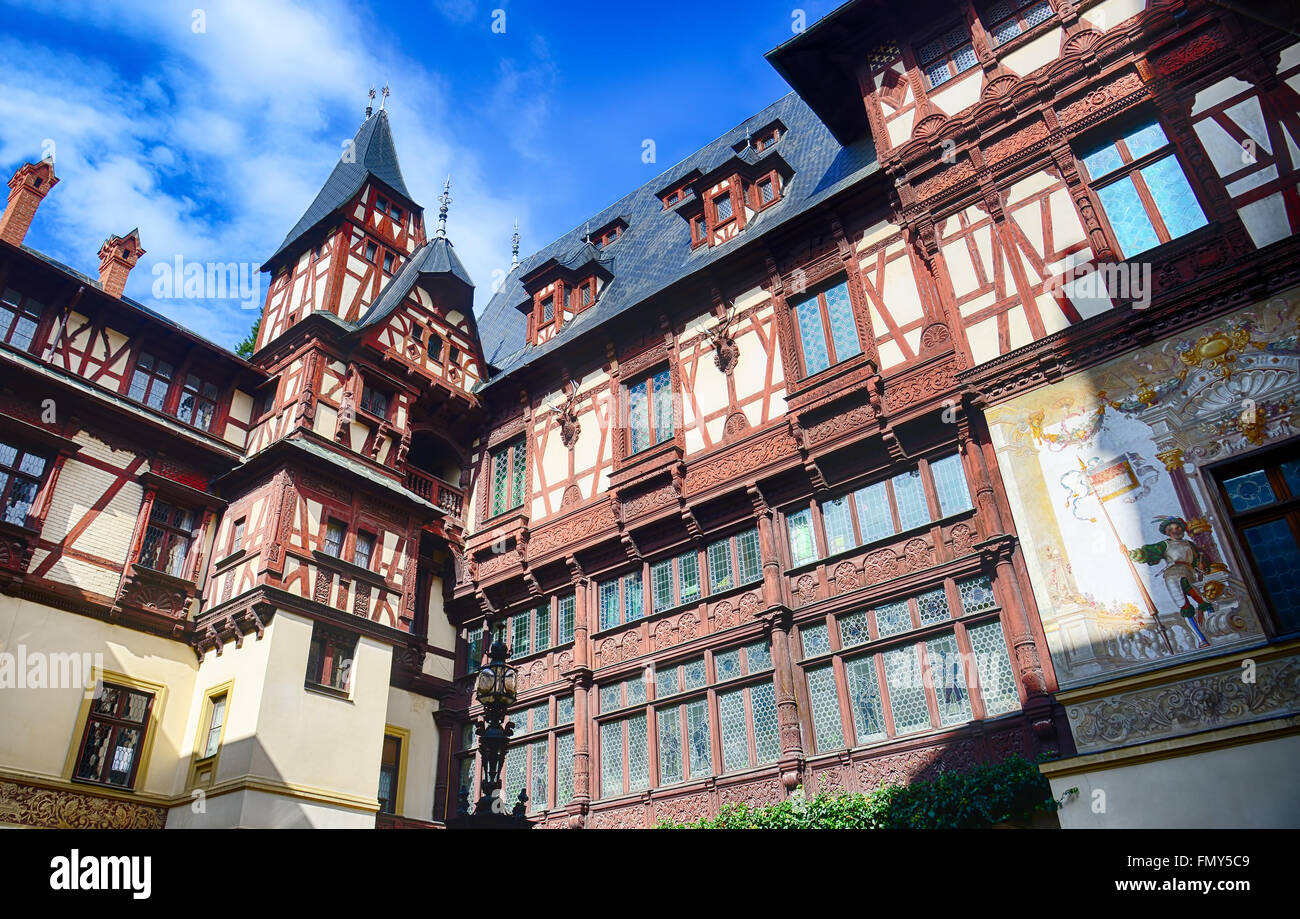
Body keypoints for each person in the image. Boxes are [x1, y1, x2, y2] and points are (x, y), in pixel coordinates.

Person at [1129, 516, 1215, 647]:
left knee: (1204, 601)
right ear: (1168, 532)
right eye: (1172, 529)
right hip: (1174, 576)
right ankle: (1201, 638)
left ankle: (1212, 630)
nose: (1175, 531)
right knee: (1185, 606)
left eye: (1178, 527)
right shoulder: (1165, 544)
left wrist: (1200, 565)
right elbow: (1150, 552)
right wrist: (1132, 553)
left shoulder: (1189, 544)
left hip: (1189, 573)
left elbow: (1197, 560)